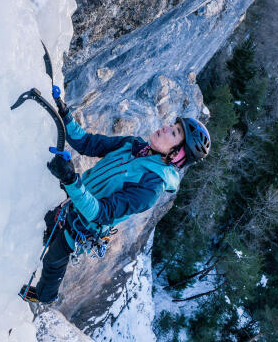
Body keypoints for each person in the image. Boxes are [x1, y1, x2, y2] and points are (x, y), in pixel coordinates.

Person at [19, 102, 211, 304]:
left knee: (54, 259)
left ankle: (44, 296)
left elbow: (101, 213)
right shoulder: (133, 145)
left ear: (176, 154)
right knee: (44, 227)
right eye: (172, 126)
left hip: (83, 225)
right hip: (73, 200)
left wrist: (70, 180)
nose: (166, 127)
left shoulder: (150, 188)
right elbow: (88, 143)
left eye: (174, 133)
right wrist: (66, 117)